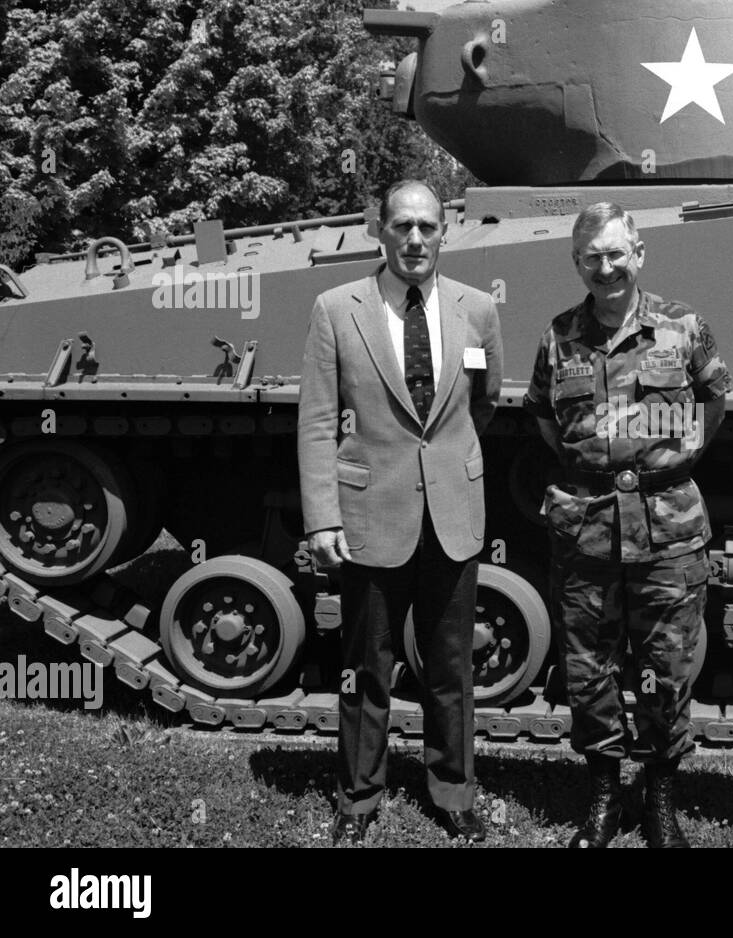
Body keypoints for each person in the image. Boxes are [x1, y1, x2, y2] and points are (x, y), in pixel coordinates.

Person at [298, 179, 501, 844]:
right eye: (403, 226)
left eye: (429, 227)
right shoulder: (336, 308)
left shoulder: (477, 308)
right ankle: (358, 796)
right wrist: (323, 516)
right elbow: (319, 419)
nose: (416, 240)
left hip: (452, 515)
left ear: (446, 233)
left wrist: (446, 463)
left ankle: (453, 790)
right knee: (366, 668)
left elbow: (484, 403)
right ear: (377, 229)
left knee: (451, 669)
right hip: (369, 514)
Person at [523, 201, 731, 848]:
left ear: (638, 254)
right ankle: (606, 796)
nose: (606, 267)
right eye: (592, 257)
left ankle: (661, 799)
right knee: (589, 672)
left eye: (617, 254)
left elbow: (715, 400)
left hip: (668, 530)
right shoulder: (559, 337)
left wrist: (677, 456)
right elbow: (542, 417)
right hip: (586, 529)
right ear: (577, 263)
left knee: (666, 671)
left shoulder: (684, 327)